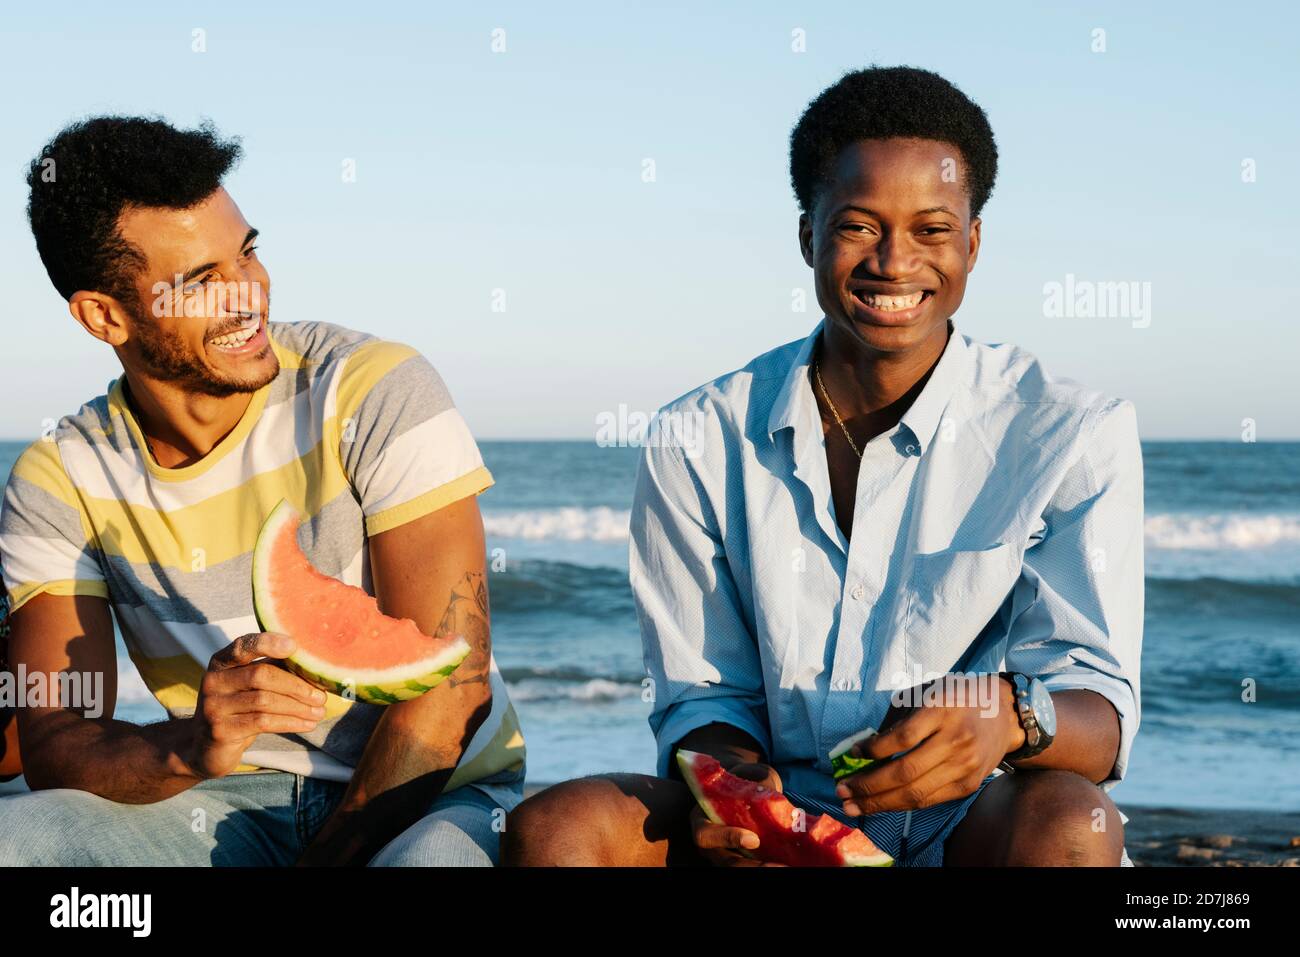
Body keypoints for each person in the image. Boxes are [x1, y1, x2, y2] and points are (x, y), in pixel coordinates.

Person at [504, 66, 1142, 867]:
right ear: (808, 233)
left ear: (973, 243)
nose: (895, 262)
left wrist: (1010, 717)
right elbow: (705, 696)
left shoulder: (1071, 431)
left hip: (971, 813)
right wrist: (733, 793)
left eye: (932, 230)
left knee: (1072, 821)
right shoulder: (696, 435)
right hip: (777, 804)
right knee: (556, 828)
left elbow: (1102, 714)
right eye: (859, 226)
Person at [0, 116, 525, 865]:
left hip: (431, 792)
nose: (247, 296)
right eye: (200, 282)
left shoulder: (372, 387)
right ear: (104, 314)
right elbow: (57, 740)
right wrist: (189, 746)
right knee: (15, 839)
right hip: (220, 802)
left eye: (246, 253)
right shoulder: (60, 476)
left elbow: (452, 691)